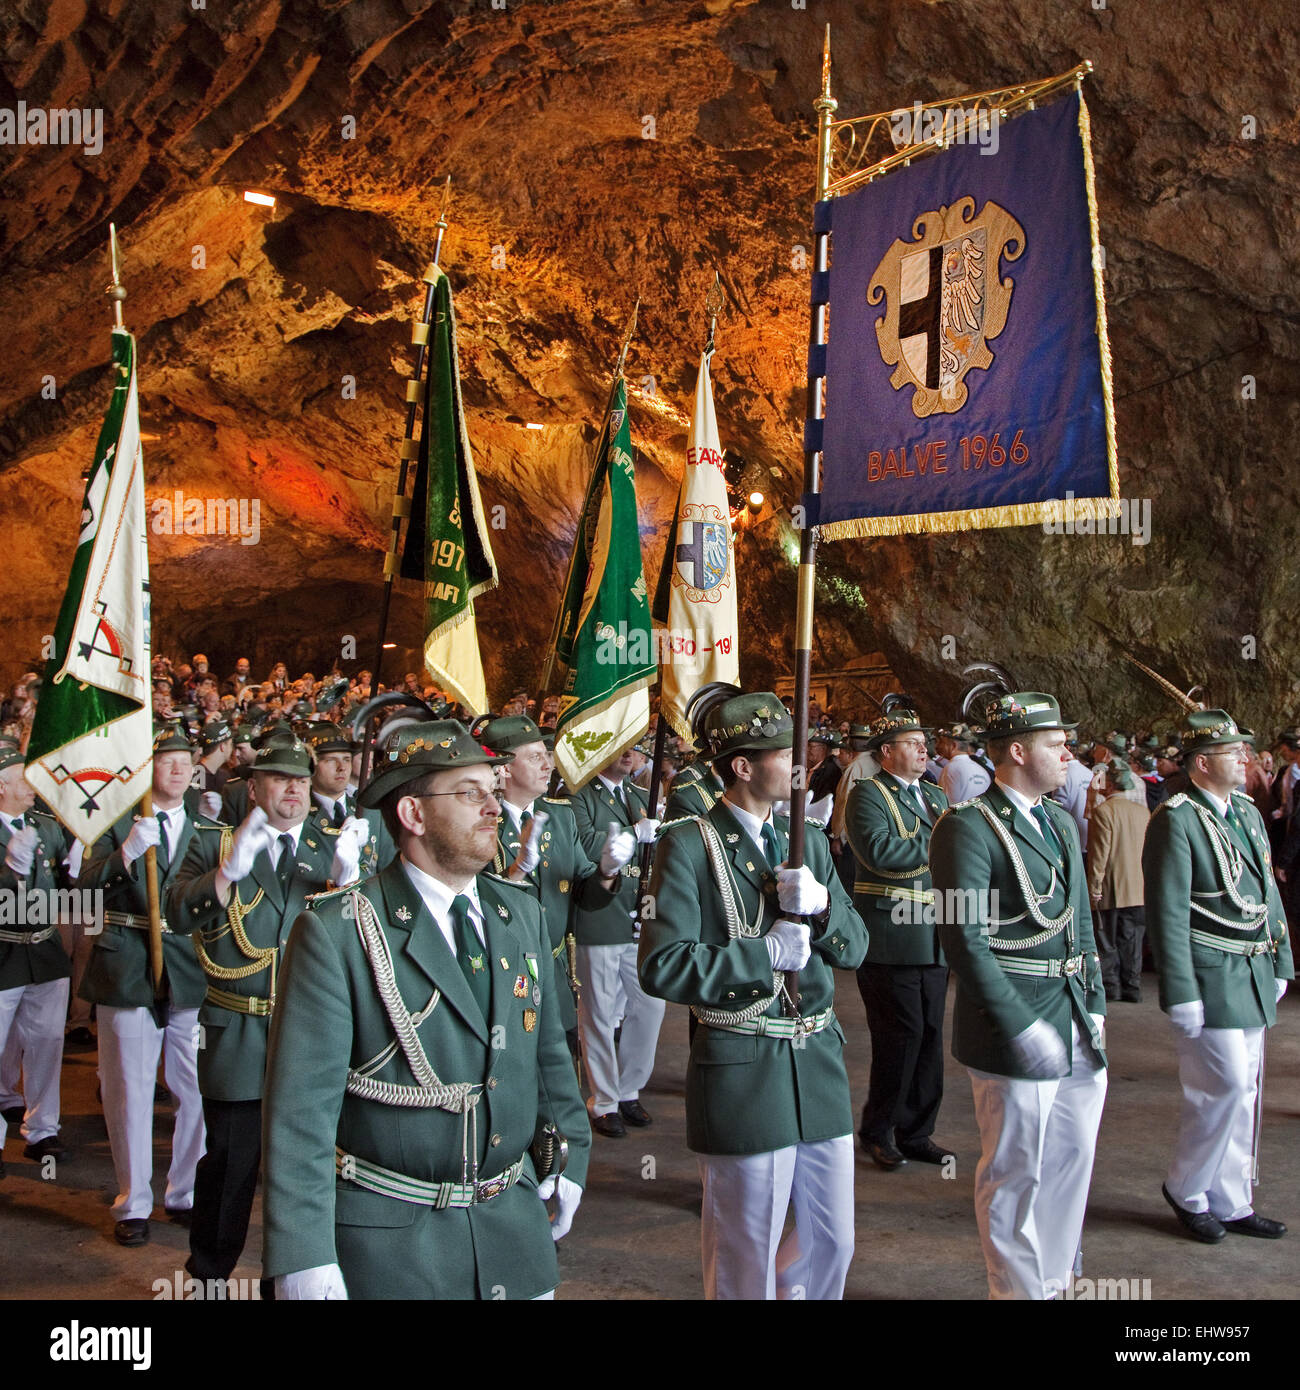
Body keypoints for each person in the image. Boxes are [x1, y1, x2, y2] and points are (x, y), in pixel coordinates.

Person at [260, 720, 590, 1299]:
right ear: (413, 815)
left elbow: (546, 1055)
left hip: (514, 1232)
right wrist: (302, 1253)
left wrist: (572, 1156)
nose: (493, 806)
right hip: (393, 1249)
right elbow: (299, 1112)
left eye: (492, 788)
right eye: (470, 793)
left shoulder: (521, 915)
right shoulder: (339, 931)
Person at [640, 690, 868, 1300]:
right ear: (742, 766)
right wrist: (761, 955)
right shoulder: (687, 843)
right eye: (787, 754)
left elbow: (856, 948)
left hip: (816, 1059)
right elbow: (662, 967)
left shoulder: (808, 842)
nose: (805, 765)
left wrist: (821, 909)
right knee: (746, 1246)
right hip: (744, 1059)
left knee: (833, 1240)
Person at [929, 691, 1107, 1300]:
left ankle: (1053, 1282)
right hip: (1015, 1017)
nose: (1068, 755)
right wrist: (1019, 1024)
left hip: (1074, 1011)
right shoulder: (966, 827)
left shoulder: (1057, 820)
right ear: (1016, 750)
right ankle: (1017, 1293)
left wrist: (1099, 1007)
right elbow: (965, 940)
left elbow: (1080, 921)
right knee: (1014, 1172)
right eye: (1057, 745)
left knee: (1069, 1163)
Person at [166, 735, 341, 1287]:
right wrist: (226, 875)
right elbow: (176, 914)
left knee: (302, 1168)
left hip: (307, 1032)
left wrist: (354, 879)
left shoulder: (330, 848)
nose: (294, 789)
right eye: (280, 779)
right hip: (238, 1026)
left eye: (302, 781)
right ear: (254, 786)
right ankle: (208, 1277)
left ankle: (288, 1281)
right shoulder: (214, 844)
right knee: (229, 1165)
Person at [1144, 710, 1293, 1243]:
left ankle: (1232, 1199)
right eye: (1234, 752)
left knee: (1245, 1089)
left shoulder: (1247, 814)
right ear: (1202, 763)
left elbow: (1267, 895)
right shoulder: (1177, 818)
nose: (1245, 759)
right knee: (1221, 1086)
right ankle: (1186, 1188)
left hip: (1252, 966)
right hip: (1209, 973)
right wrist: (1179, 991)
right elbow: (1168, 909)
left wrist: (1281, 961)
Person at [76, 724, 207, 1245]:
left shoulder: (207, 828)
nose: (178, 767)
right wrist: (125, 854)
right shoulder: (116, 822)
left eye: (185, 759)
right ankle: (133, 1201)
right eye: (166, 759)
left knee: (195, 1087)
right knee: (129, 1086)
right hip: (127, 962)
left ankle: (186, 1190)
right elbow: (84, 887)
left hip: (187, 969)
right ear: (146, 767)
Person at [845, 706, 952, 1171]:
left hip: (933, 936)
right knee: (899, 1036)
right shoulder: (867, 794)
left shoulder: (935, 796)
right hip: (891, 937)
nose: (924, 749)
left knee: (929, 1036)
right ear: (886, 753)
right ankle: (878, 1128)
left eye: (924, 742)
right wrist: (942, 844)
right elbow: (881, 852)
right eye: (912, 743)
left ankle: (916, 1131)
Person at [479, 714, 623, 1048]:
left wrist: (607, 871)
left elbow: (586, 896)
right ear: (503, 769)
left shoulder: (560, 816)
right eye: (535, 757)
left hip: (555, 972)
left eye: (547, 755)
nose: (548, 764)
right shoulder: (481, 819)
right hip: (502, 971)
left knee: (559, 1071)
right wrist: (515, 871)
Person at [568, 745, 662, 1138]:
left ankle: (629, 1088)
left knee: (649, 1006)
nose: (630, 753)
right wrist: (631, 833)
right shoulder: (579, 797)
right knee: (601, 1013)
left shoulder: (644, 798)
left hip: (641, 919)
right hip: (601, 915)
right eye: (620, 746)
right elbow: (585, 847)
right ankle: (604, 1100)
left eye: (635, 747)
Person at [0, 749, 73, 1171]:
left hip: (44, 949)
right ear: (2, 787)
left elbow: (65, 882)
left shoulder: (45, 826)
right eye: (23, 780)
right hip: (3, 949)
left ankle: (43, 1128)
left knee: (48, 1041)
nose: (33, 787)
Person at [1085, 763, 1149, 1002]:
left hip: (1112, 887)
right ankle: (1132, 986)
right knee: (1133, 940)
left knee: (1107, 939)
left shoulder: (1104, 812)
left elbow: (1099, 855)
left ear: (1109, 784)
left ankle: (1112, 986)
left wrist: (1093, 888)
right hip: (1139, 888)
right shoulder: (1143, 812)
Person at [937, 722, 991, 806]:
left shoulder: (951, 768)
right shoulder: (982, 769)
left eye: (942, 743)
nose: (939, 746)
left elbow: (943, 805)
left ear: (953, 746)